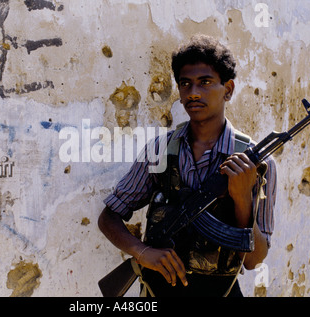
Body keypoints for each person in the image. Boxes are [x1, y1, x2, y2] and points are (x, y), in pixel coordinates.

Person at [98, 34, 276, 297]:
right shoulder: (159, 151)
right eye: (185, 84)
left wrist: (242, 200)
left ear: (228, 89)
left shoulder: (258, 165)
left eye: (205, 82)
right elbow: (108, 217)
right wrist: (142, 252)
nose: (193, 93)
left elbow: (253, 261)